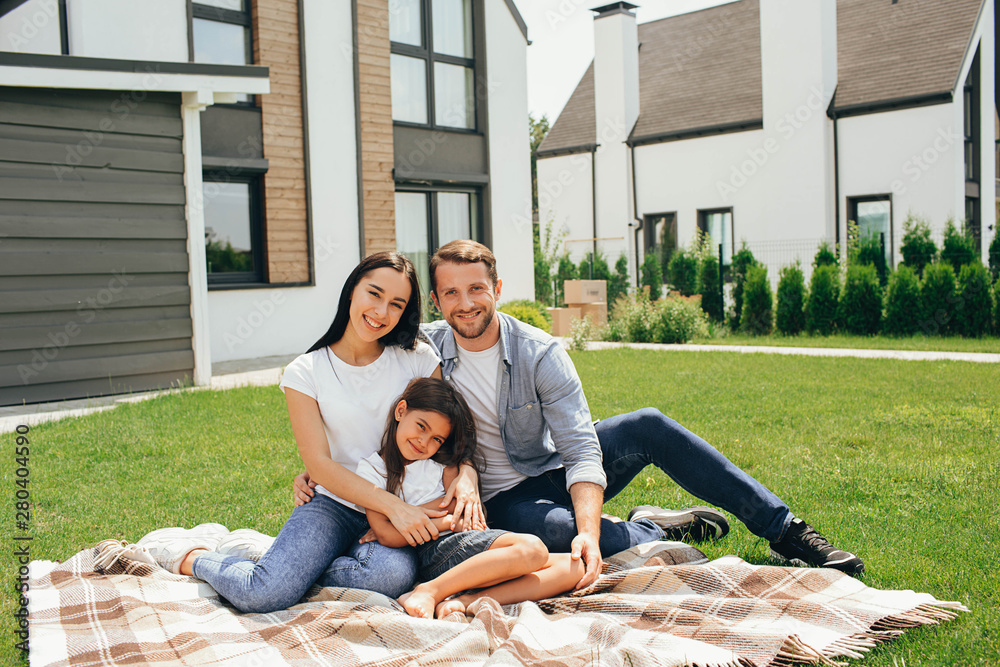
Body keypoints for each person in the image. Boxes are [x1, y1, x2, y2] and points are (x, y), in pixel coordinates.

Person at [296, 240, 865, 588]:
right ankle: (648, 527)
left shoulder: (541, 352)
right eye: (450, 293)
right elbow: (377, 410)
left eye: (476, 289)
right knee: (576, 541)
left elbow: (580, 449)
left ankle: (786, 531)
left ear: (497, 288)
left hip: (548, 469)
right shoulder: (424, 350)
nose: (465, 303)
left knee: (647, 425)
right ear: (438, 302)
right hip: (499, 499)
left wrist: (590, 524)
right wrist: (317, 472)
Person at [135, 252, 484, 613]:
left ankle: (285, 563)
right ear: (352, 292)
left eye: (396, 304)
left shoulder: (418, 360)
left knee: (388, 578)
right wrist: (392, 507)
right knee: (264, 594)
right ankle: (194, 556)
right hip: (337, 503)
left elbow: (447, 435)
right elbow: (318, 464)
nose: (381, 312)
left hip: (399, 506)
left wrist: (466, 473)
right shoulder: (306, 371)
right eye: (374, 294)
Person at [358, 377, 584, 619]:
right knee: (533, 549)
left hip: (472, 541)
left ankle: (465, 600)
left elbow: (457, 505)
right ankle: (429, 590)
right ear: (401, 411)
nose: (424, 442)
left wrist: (411, 516)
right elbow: (387, 534)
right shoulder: (372, 470)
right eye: (421, 426)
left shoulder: (441, 465)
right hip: (440, 548)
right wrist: (445, 521)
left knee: (574, 567)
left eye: (437, 439)